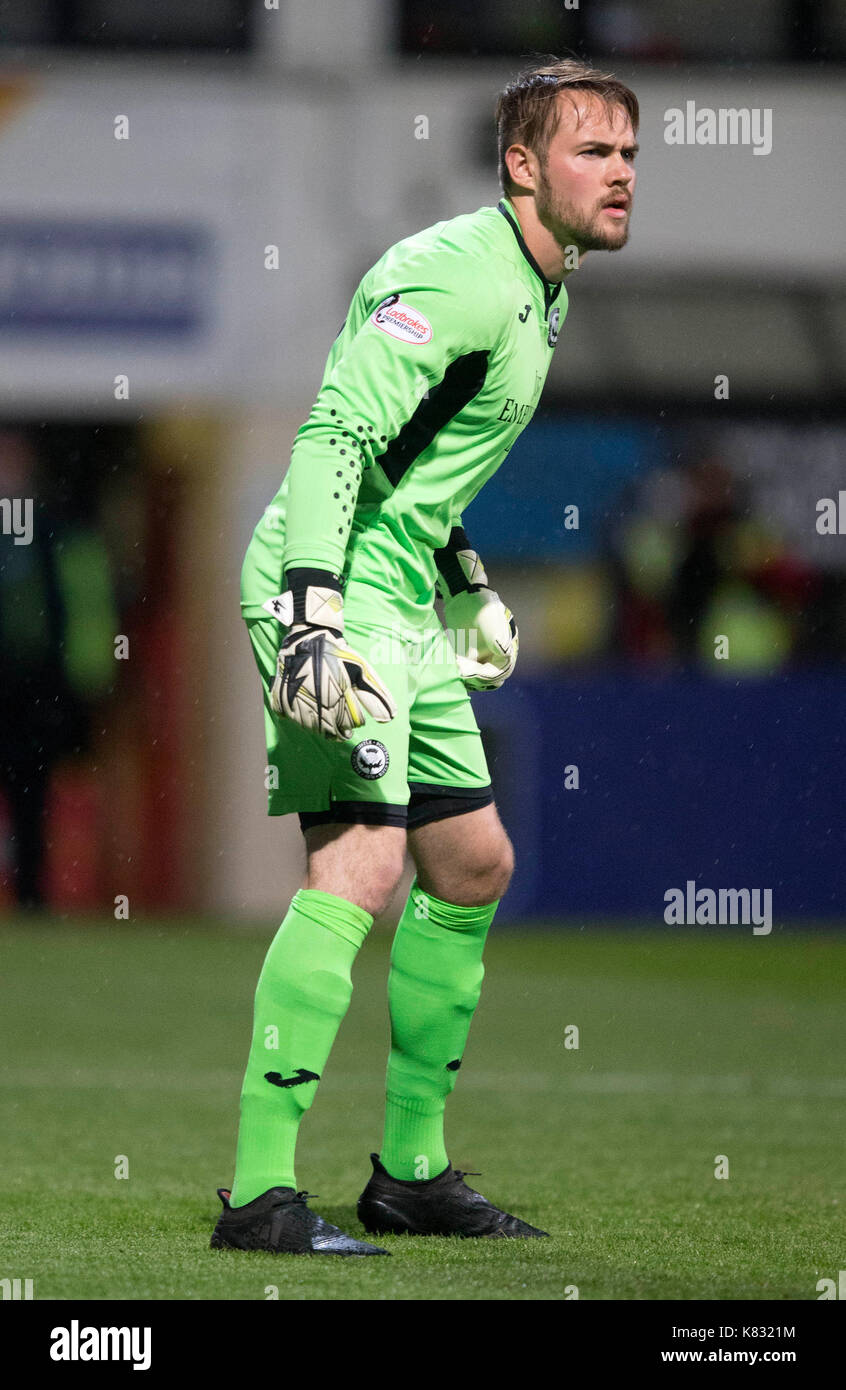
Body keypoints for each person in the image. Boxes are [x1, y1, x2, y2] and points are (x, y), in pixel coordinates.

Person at [212, 56, 639, 1255]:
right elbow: (334, 432)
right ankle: (257, 1197)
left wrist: (464, 583)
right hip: (333, 593)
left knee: (471, 861)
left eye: (630, 155)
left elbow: (416, 462)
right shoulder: (455, 274)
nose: (619, 175)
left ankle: (409, 1174)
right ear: (522, 165)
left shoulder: (543, 288)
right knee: (360, 866)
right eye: (592, 151)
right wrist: (312, 612)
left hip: (403, 599)